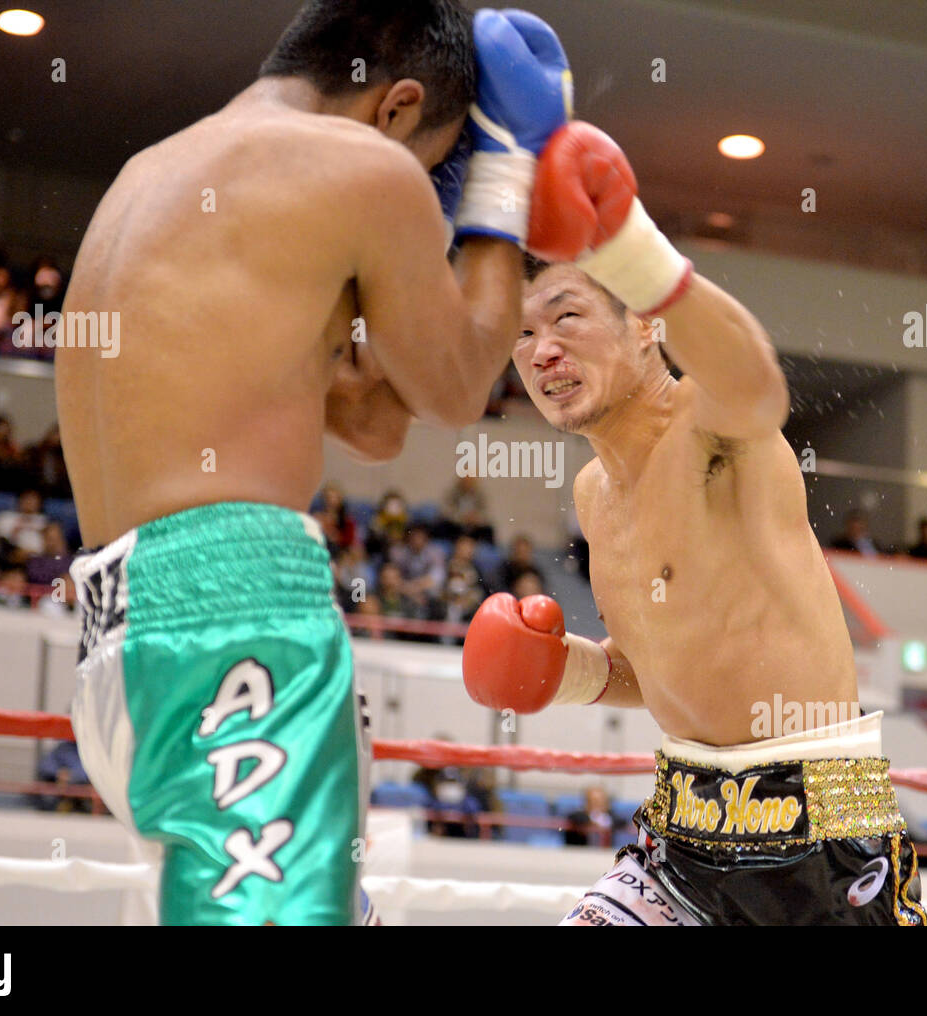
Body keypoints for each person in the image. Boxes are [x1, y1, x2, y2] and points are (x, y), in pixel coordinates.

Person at [56, 2, 571, 925]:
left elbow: (372, 421)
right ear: (396, 106)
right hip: (235, 631)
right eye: (429, 159)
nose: (419, 184)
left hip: (120, 642)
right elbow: (457, 387)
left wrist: (412, 269)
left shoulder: (153, 174)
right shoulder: (364, 167)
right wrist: (503, 168)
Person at [462, 122, 925, 926]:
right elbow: (666, 667)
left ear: (646, 324)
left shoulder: (715, 437)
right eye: (524, 335)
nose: (540, 353)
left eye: (566, 318)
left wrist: (634, 249)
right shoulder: (592, 493)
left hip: (820, 828)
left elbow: (755, 383)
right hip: (681, 834)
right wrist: (563, 673)